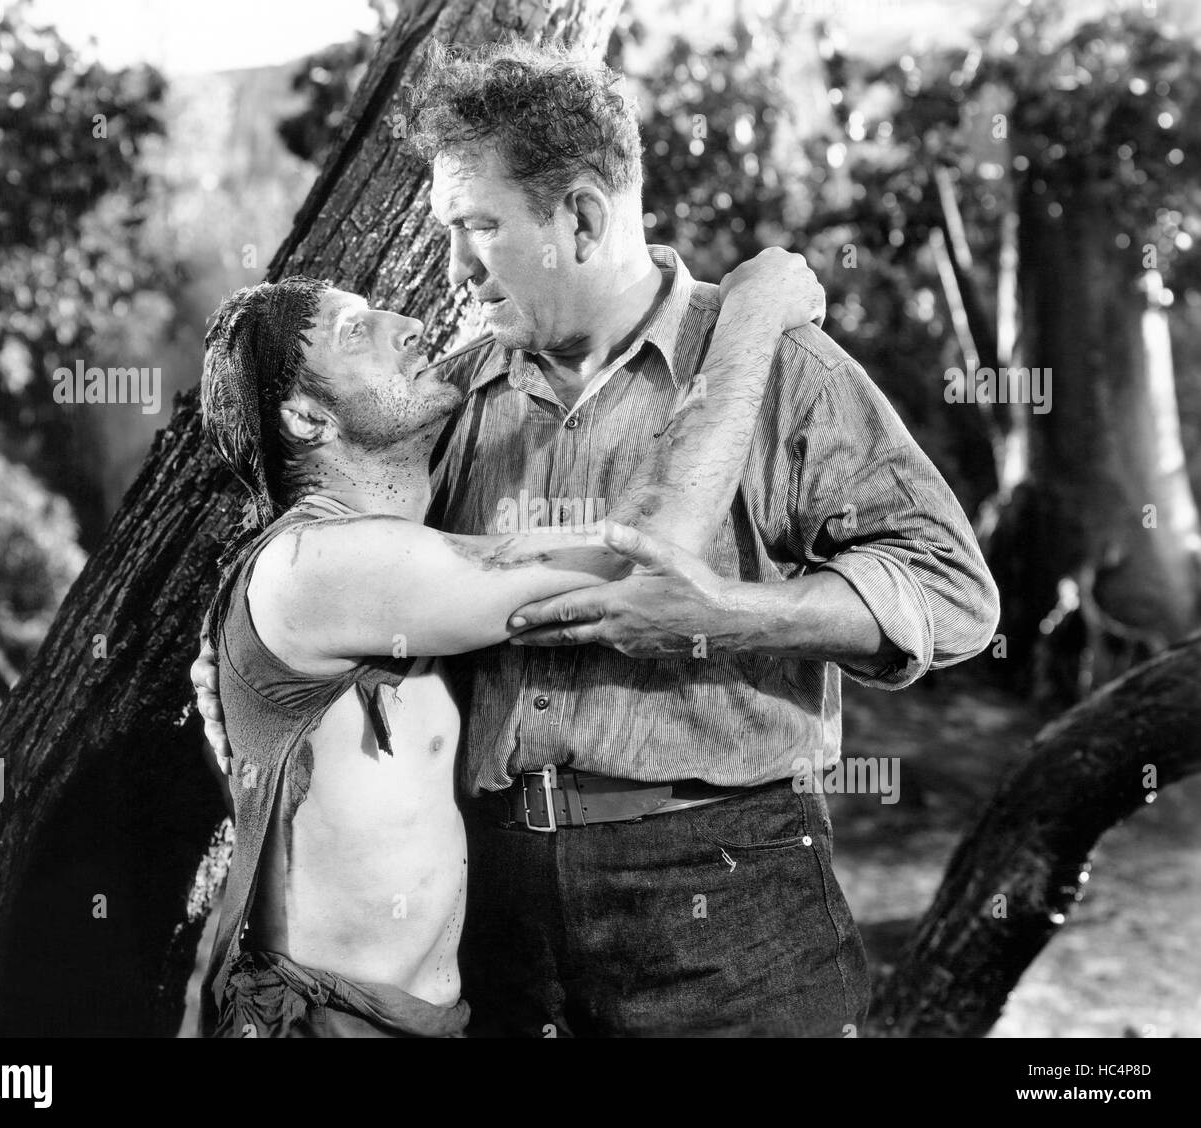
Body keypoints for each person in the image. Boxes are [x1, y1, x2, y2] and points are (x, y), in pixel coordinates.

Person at [195, 40, 1000, 1037]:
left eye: (475, 228)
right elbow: (372, 568)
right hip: (496, 915)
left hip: (726, 894)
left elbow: (954, 595)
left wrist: (734, 618)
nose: (450, 272)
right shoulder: (449, 400)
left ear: (577, 215)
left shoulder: (795, 371)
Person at [194, 247, 825, 1037]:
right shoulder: (318, 566)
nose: (411, 326)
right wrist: (754, 317)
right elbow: (647, 548)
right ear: (306, 419)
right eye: (358, 332)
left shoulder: (372, 558)